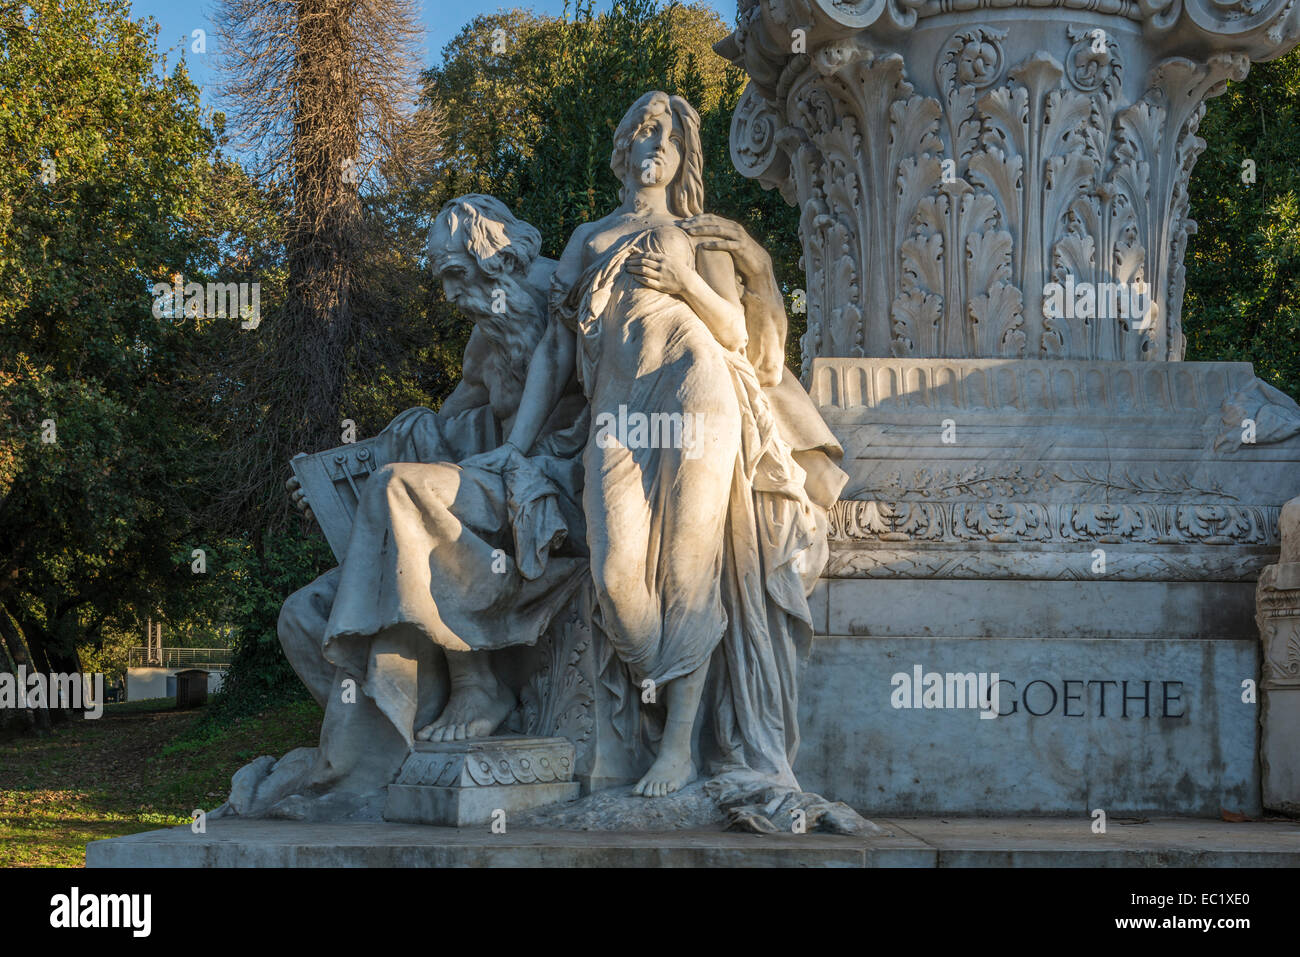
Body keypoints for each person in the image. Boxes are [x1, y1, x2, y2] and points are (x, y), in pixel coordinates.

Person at [500, 91, 848, 804]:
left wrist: (684, 279)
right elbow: (552, 353)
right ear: (623, 149)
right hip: (618, 414)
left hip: (696, 392)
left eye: (669, 135)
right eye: (643, 131)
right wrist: (514, 444)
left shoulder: (699, 235)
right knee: (619, 575)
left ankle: (681, 744)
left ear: (684, 157)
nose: (656, 142)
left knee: (691, 571)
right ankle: (654, 700)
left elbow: (734, 333)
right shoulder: (589, 239)